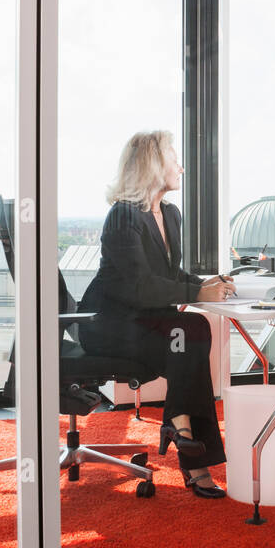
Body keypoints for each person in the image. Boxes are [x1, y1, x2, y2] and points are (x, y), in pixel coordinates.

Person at [77, 130, 235, 498]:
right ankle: (194, 459)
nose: (181, 166)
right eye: (173, 158)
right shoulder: (121, 217)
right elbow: (140, 286)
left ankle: (180, 427)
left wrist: (207, 283)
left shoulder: (170, 214)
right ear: (152, 165)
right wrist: (197, 291)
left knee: (193, 327)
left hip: (147, 320)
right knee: (189, 332)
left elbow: (170, 276)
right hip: (108, 324)